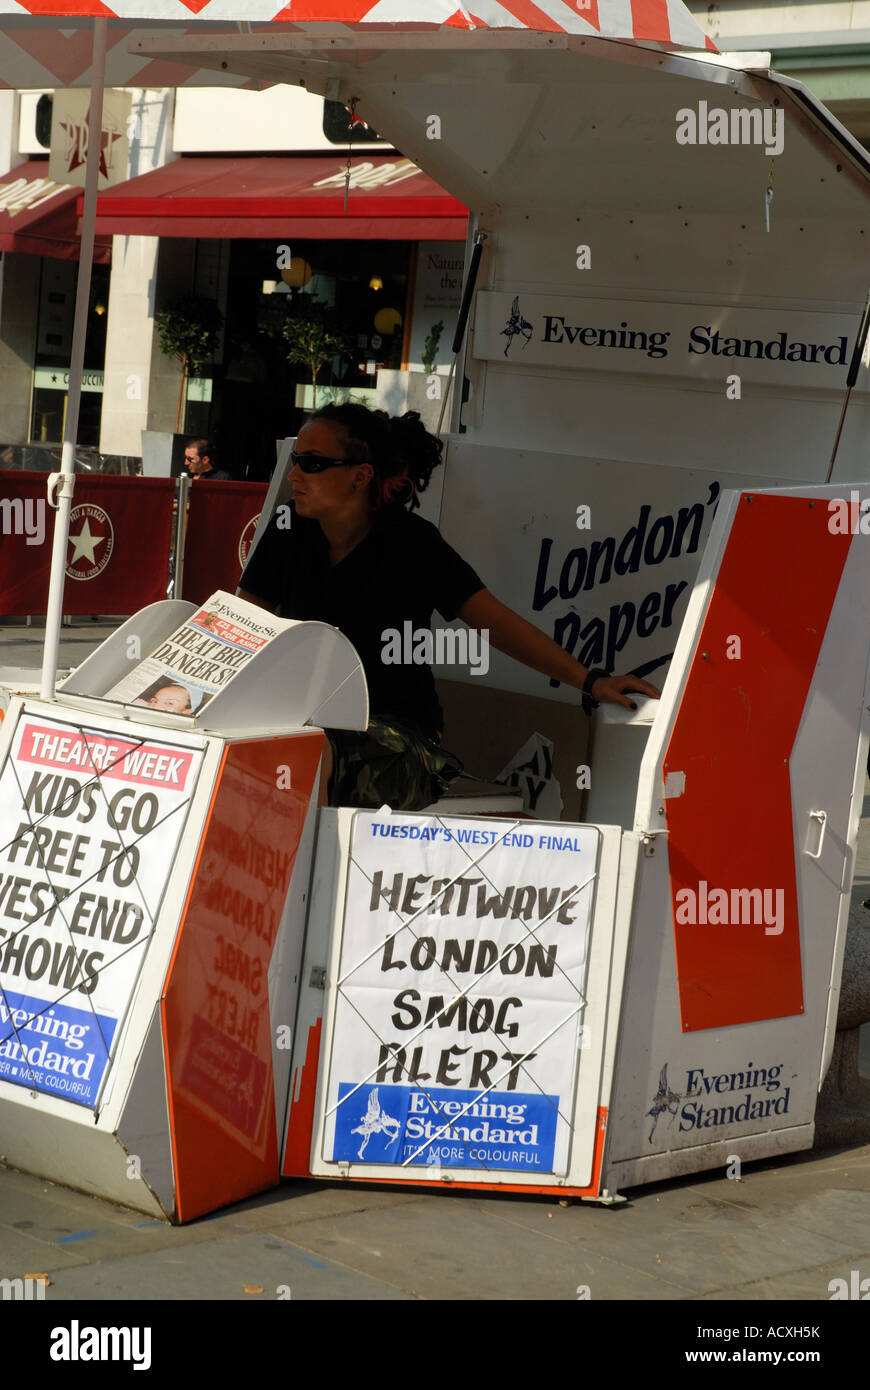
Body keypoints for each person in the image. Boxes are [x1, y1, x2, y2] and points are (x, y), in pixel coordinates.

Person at [238, 403, 659, 811]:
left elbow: (495, 624)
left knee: (307, 754)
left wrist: (589, 681)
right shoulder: (287, 528)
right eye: (296, 459)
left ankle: (300, 879)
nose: (293, 474)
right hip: (302, 723)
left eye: (311, 463)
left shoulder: (413, 544)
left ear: (361, 475)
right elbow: (242, 625)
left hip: (396, 740)